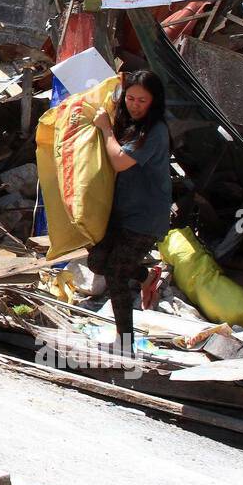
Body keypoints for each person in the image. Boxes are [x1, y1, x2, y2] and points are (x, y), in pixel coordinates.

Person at [88, 69, 172, 353]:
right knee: (98, 262)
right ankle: (146, 276)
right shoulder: (127, 121)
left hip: (145, 217)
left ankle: (124, 344)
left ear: (154, 102)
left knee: (114, 273)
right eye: (130, 98)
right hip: (121, 211)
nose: (134, 105)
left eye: (142, 101)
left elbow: (121, 162)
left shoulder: (155, 131)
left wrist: (105, 129)